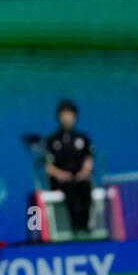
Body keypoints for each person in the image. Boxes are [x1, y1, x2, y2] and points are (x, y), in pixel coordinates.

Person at [44, 99, 95, 232]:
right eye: (63, 114)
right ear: (58, 117)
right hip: (62, 181)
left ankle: (85, 224)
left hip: (80, 178)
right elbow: (48, 166)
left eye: (69, 114)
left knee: (85, 185)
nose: (67, 118)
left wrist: (84, 173)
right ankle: (75, 226)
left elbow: (89, 159)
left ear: (75, 116)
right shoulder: (52, 140)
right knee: (70, 186)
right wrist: (62, 175)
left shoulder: (82, 138)